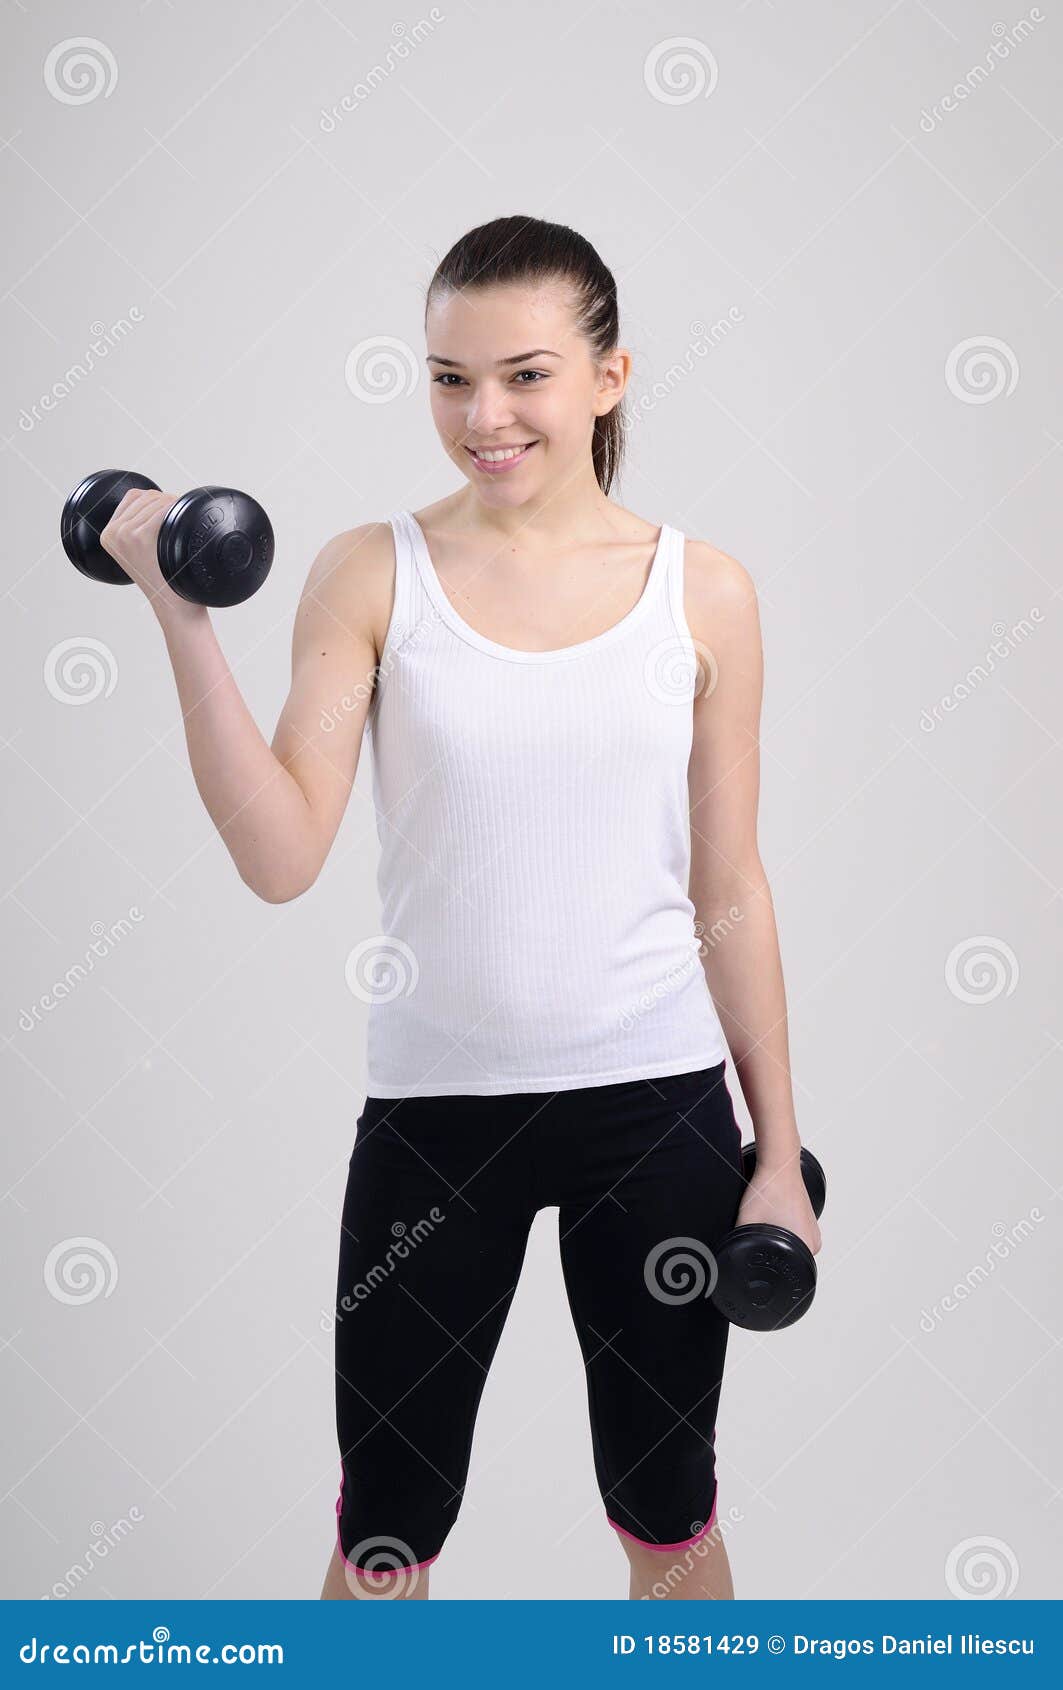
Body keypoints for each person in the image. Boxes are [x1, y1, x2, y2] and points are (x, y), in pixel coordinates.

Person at [99, 214, 821, 1602]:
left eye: (526, 374)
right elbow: (279, 854)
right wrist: (179, 619)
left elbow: (730, 883)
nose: (483, 416)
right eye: (448, 377)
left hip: (655, 1110)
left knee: (666, 1516)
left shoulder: (704, 592)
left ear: (610, 376)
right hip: (437, 1121)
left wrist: (777, 1148)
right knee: (388, 1531)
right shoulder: (373, 571)